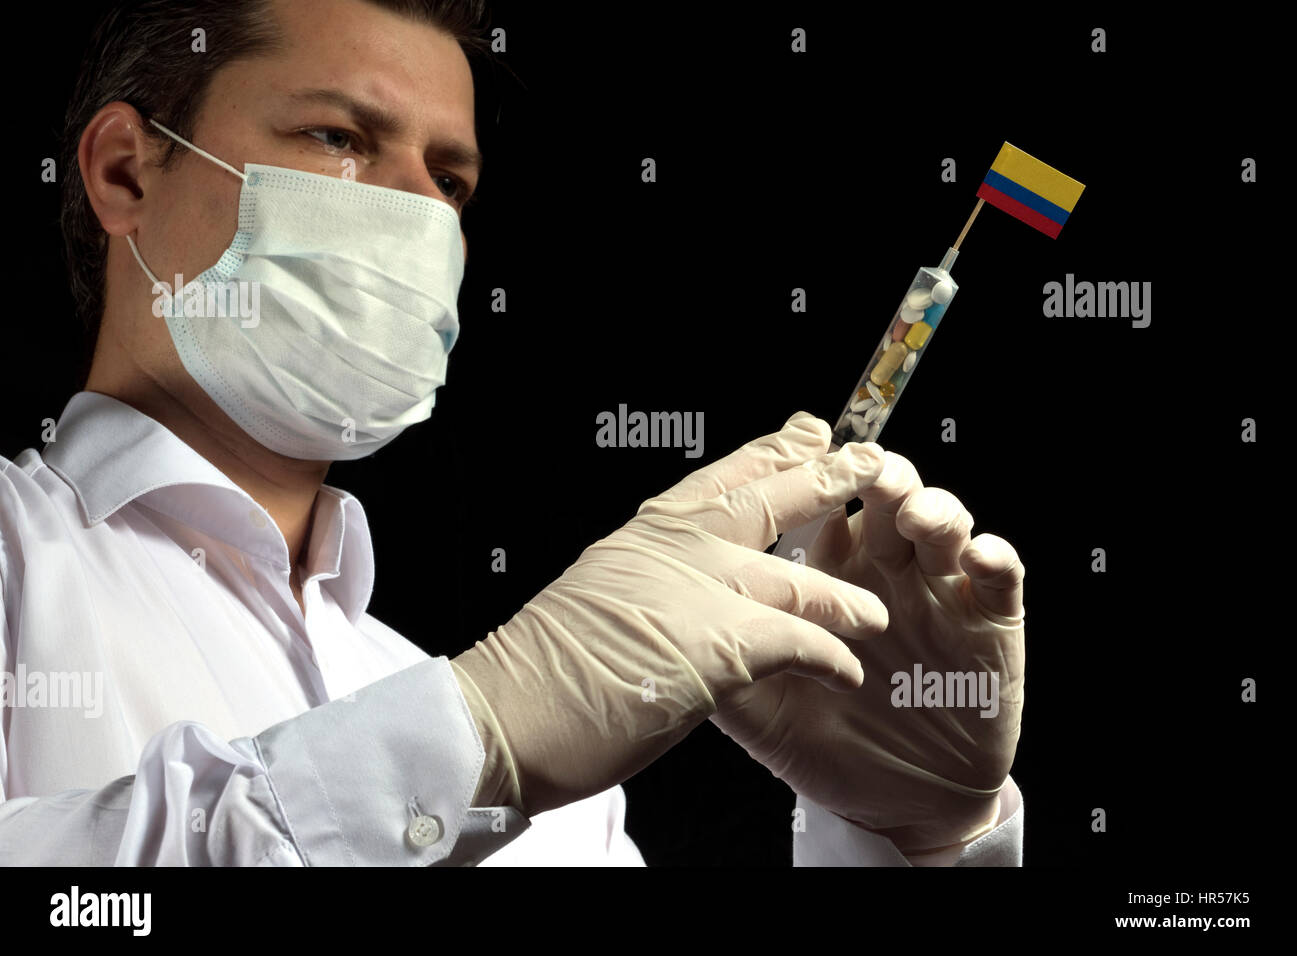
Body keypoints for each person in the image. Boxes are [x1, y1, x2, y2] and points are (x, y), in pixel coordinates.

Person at [0, 0, 1026, 866]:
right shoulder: (522, 716)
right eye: (339, 138)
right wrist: (468, 736)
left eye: (450, 180)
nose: (420, 214)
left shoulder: (564, 794)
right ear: (127, 172)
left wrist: (912, 836)